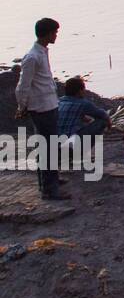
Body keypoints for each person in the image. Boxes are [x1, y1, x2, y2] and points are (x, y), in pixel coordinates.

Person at [16, 17, 66, 200]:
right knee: (47, 148)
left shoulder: (42, 52)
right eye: (54, 33)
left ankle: (49, 181)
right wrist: (22, 106)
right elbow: (23, 86)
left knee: (49, 145)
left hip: (49, 104)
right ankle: (49, 189)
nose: (56, 36)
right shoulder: (32, 57)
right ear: (47, 34)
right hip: (41, 108)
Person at [57, 76, 109, 142]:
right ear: (80, 91)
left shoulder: (59, 101)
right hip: (70, 141)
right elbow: (102, 114)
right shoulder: (83, 103)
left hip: (56, 140)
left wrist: (86, 119)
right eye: (84, 89)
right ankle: (80, 149)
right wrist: (109, 121)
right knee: (102, 121)